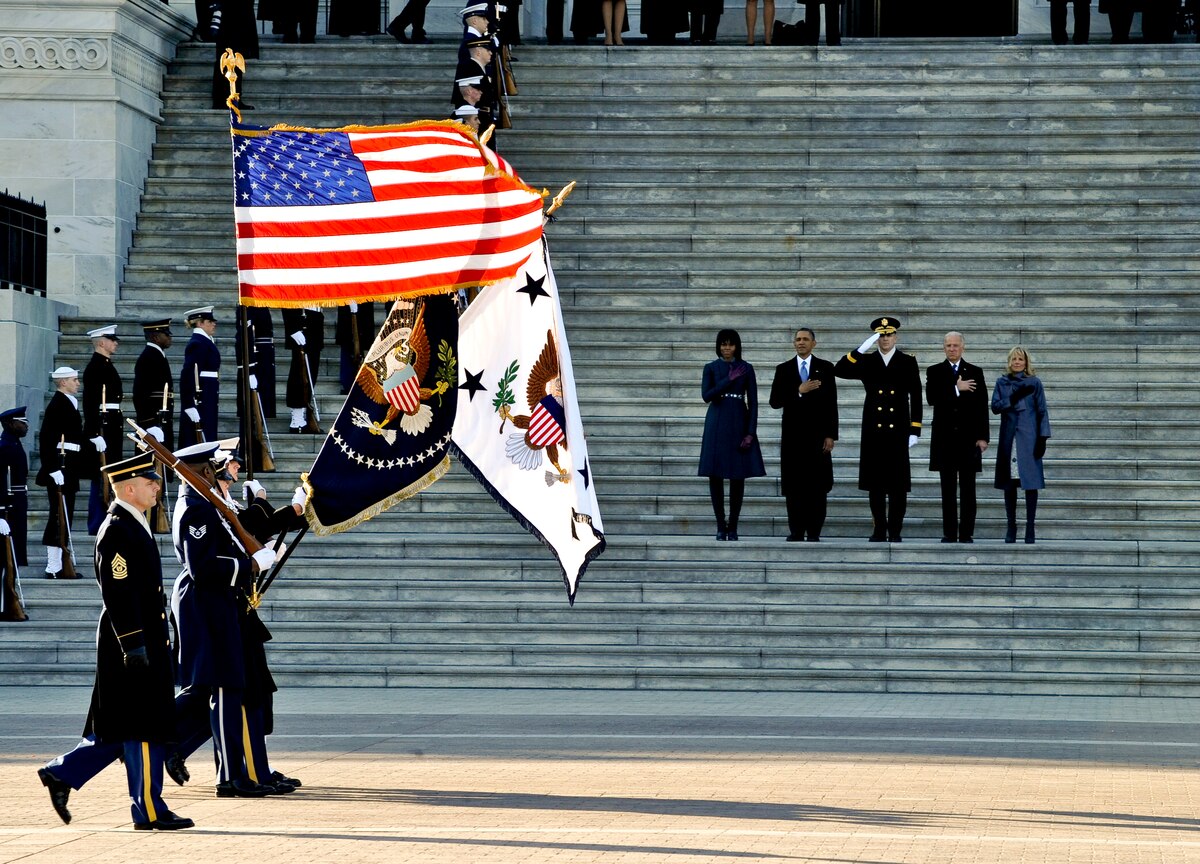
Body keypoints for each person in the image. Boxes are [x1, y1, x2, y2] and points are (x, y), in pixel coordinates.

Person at [36, 452, 194, 831]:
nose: (157, 487)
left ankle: (63, 773)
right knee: (141, 726)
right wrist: (134, 644)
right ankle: (149, 810)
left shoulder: (133, 522)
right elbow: (118, 592)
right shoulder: (117, 528)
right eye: (149, 482)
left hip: (144, 640)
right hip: (130, 645)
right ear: (128, 488)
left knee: (134, 725)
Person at [169, 442, 278, 797]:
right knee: (223, 691)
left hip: (221, 605)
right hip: (207, 608)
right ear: (203, 473)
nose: (219, 476)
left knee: (231, 690)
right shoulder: (196, 509)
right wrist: (249, 565)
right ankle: (230, 776)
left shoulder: (209, 505)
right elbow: (202, 568)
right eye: (214, 471)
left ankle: (235, 772)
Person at [834, 317, 922, 542]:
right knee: (876, 485)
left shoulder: (907, 361)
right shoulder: (867, 361)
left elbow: (916, 395)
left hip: (898, 429)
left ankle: (895, 530)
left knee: (897, 485)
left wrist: (915, 429)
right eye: (881, 335)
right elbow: (840, 369)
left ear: (896, 337)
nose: (885, 339)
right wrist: (861, 349)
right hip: (874, 429)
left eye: (889, 335)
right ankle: (879, 529)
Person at [769, 328, 838, 542]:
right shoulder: (783, 369)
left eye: (805, 339)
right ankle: (797, 530)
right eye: (798, 339)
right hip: (793, 439)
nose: (801, 343)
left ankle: (815, 531)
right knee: (795, 487)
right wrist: (799, 390)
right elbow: (775, 401)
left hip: (818, 438)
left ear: (814, 343)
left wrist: (830, 435)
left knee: (817, 487)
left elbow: (831, 404)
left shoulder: (825, 368)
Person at [699, 329, 766, 541]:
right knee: (715, 475)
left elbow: (753, 402)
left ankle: (733, 525)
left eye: (731, 344)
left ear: (737, 346)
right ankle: (720, 525)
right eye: (723, 344)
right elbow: (706, 395)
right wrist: (727, 380)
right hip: (717, 420)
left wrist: (750, 433)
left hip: (738, 419)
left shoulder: (746, 368)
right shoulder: (711, 368)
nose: (726, 348)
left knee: (738, 476)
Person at [926, 331, 989, 544]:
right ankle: (950, 533)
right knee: (948, 489)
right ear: (943, 348)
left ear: (963, 347)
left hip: (968, 439)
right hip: (944, 440)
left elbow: (982, 405)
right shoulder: (934, 371)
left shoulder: (975, 371)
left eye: (955, 345)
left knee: (969, 489)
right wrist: (955, 388)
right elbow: (932, 398)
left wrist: (983, 437)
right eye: (948, 345)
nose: (951, 349)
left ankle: (966, 533)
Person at [992, 346, 1051, 544]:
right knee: (1010, 484)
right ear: (1009, 361)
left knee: (1030, 484)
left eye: (1020, 359)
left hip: (1029, 438)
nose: (1017, 362)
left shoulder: (1035, 382)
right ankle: (1011, 527)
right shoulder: (1002, 382)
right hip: (1009, 439)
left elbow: (1042, 411)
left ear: (1026, 362)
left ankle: (1030, 527)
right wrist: (1013, 398)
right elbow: (995, 407)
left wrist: (1043, 438)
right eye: (1014, 359)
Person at [37, 368, 85, 578]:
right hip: (60, 465)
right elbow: (46, 440)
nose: (78, 383)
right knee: (58, 515)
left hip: (70, 466)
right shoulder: (57, 404)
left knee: (65, 515)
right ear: (63, 382)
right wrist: (52, 468)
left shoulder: (68, 402)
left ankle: (61, 563)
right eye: (74, 380)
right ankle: (53, 566)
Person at [82, 325, 124, 536]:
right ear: (100, 342)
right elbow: (89, 404)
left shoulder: (106, 365)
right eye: (111, 339)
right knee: (100, 476)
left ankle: (107, 518)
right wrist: (93, 434)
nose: (115, 342)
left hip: (112, 426)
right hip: (102, 426)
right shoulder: (94, 367)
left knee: (110, 473)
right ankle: (97, 522)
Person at [179, 306, 221, 446]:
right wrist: (188, 404)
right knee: (198, 435)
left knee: (208, 431)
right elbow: (188, 374)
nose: (214, 324)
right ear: (200, 323)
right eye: (210, 321)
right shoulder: (198, 343)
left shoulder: (205, 341)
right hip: (202, 394)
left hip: (208, 393)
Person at [133, 319, 174, 451]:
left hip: (161, 417)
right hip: (154, 419)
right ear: (156, 337)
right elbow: (140, 393)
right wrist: (149, 422)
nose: (170, 337)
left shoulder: (157, 355)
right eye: (166, 334)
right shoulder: (148, 358)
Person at [210, 0, 259, 109]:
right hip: (230, 13)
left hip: (238, 12)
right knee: (228, 55)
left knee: (236, 55)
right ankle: (224, 99)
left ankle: (231, 98)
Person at [283, 307, 324, 434]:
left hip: (314, 321)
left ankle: (304, 413)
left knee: (311, 373)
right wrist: (293, 328)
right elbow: (285, 299)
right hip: (302, 322)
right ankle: (297, 419)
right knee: (299, 373)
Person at [0, 406, 31, 567]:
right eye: (22, 422)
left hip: (17, 498)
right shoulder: (5, 447)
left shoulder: (14, 443)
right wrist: (1, 509)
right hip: (10, 501)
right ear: (11, 424)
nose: (26, 426)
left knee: (18, 539)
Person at [336, 302, 377, 394]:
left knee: (362, 345)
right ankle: (348, 384)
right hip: (348, 304)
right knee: (348, 346)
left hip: (364, 303)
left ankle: (361, 382)